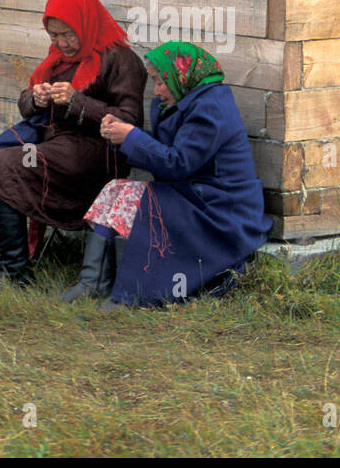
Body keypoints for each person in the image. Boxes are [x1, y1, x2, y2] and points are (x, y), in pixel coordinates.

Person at [0, 0, 147, 293]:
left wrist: (78, 103)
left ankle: (15, 274)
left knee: (6, 165)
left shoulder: (122, 60)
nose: (61, 43)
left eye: (68, 34)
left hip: (95, 153)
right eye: (53, 36)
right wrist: (36, 99)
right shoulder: (58, 60)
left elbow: (129, 122)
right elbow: (27, 107)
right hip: (53, 141)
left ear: (86, 24)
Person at [61, 41, 272, 307]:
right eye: (154, 82)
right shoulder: (185, 99)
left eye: (161, 82)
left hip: (220, 207)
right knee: (114, 189)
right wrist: (122, 135)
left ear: (180, 76)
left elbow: (178, 162)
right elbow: (169, 152)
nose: (157, 91)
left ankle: (129, 293)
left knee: (131, 198)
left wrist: (132, 137)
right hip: (192, 193)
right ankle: (93, 283)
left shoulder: (211, 108)